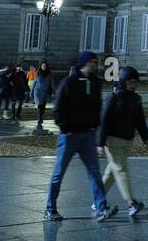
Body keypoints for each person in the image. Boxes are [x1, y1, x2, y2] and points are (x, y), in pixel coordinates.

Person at [44, 51, 115, 222]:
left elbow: (97, 106)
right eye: (92, 61)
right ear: (84, 63)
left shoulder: (95, 83)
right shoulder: (70, 82)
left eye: (96, 61)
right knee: (59, 173)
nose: (95, 64)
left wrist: (96, 125)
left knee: (94, 172)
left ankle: (101, 208)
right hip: (69, 136)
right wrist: (65, 128)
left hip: (88, 134)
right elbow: (58, 108)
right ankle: (50, 208)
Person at [99, 66, 148, 217]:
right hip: (113, 140)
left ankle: (98, 199)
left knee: (112, 172)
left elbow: (140, 120)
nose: (133, 85)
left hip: (127, 140)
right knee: (121, 170)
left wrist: (146, 137)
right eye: (130, 83)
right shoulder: (113, 98)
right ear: (123, 82)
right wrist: (100, 143)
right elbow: (104, 120)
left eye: (135, 83)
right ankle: (130, 203)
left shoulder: (136, 99)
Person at [32, 62, 55, 133]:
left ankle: (41, 117)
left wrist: (53, 92)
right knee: (39, 105)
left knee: (43, 106)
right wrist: (31, 92)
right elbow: (34, 83)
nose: (44, 66)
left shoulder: (49, 74)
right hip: (38, 91)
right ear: (40, 66)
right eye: (43, 65)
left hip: (45, 92)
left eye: (45, 65)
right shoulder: (37, 73)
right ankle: (39, 119)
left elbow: (52, 83)